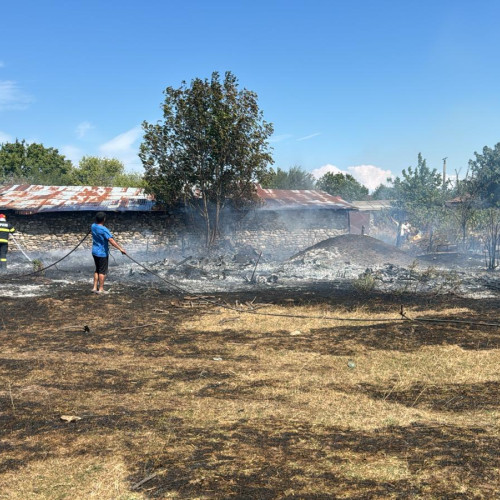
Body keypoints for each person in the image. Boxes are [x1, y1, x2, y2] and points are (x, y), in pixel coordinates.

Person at [91, 212, 126, 293]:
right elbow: (111, 240)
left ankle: (94, 287)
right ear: (104, 219)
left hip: (94, 251)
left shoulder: (93, 226)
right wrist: (121, 249)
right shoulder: (104, 229)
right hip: (102, 253)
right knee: (102, 271)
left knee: (97, 269)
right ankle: (101, 289)